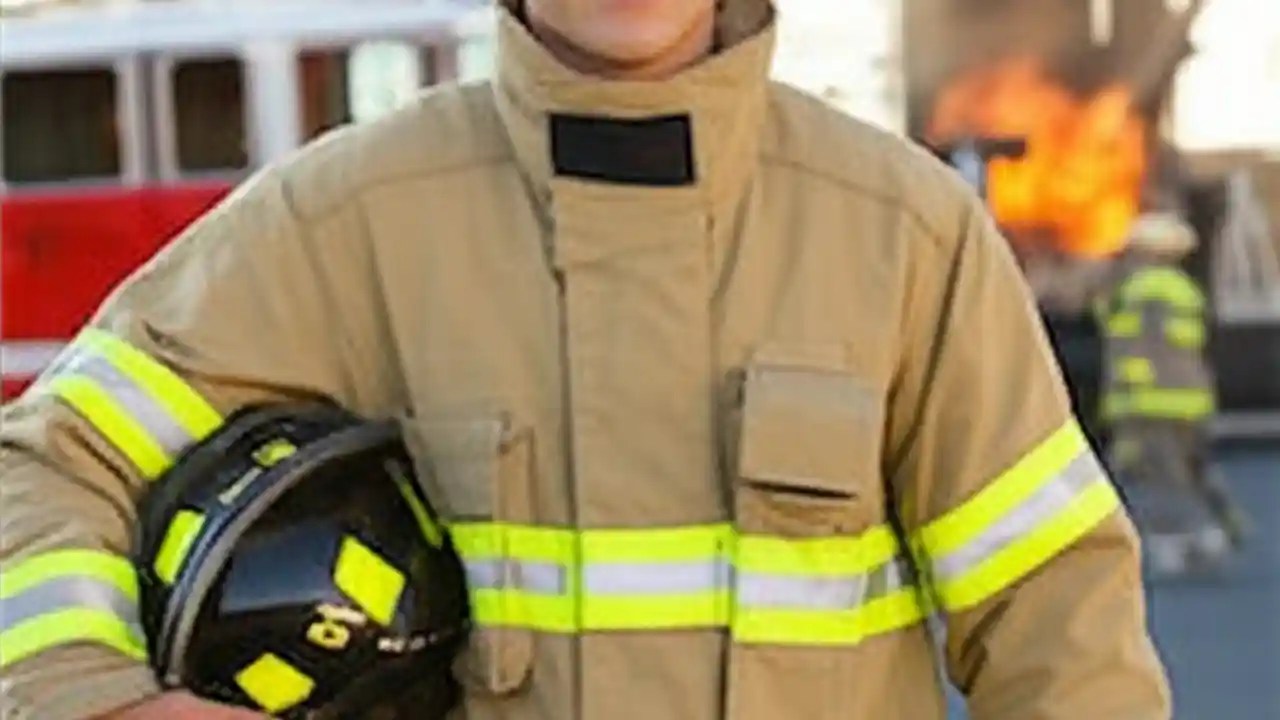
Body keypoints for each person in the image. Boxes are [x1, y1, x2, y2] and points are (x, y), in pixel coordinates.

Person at [0, 1, 1171, 718]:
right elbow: (49, 463)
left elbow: (1054, 618)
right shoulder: (346, 222)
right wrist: (95, 700)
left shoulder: (902, 233)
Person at [1097, 211, 1246, 577]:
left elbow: (1136, 346)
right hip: (1188, 399)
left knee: (1157, 474)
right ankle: (1222, 526)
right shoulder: (1183, 289)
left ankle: (1184, 539)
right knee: (1189, 466)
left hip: (1147, 402)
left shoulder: (1141, 291)